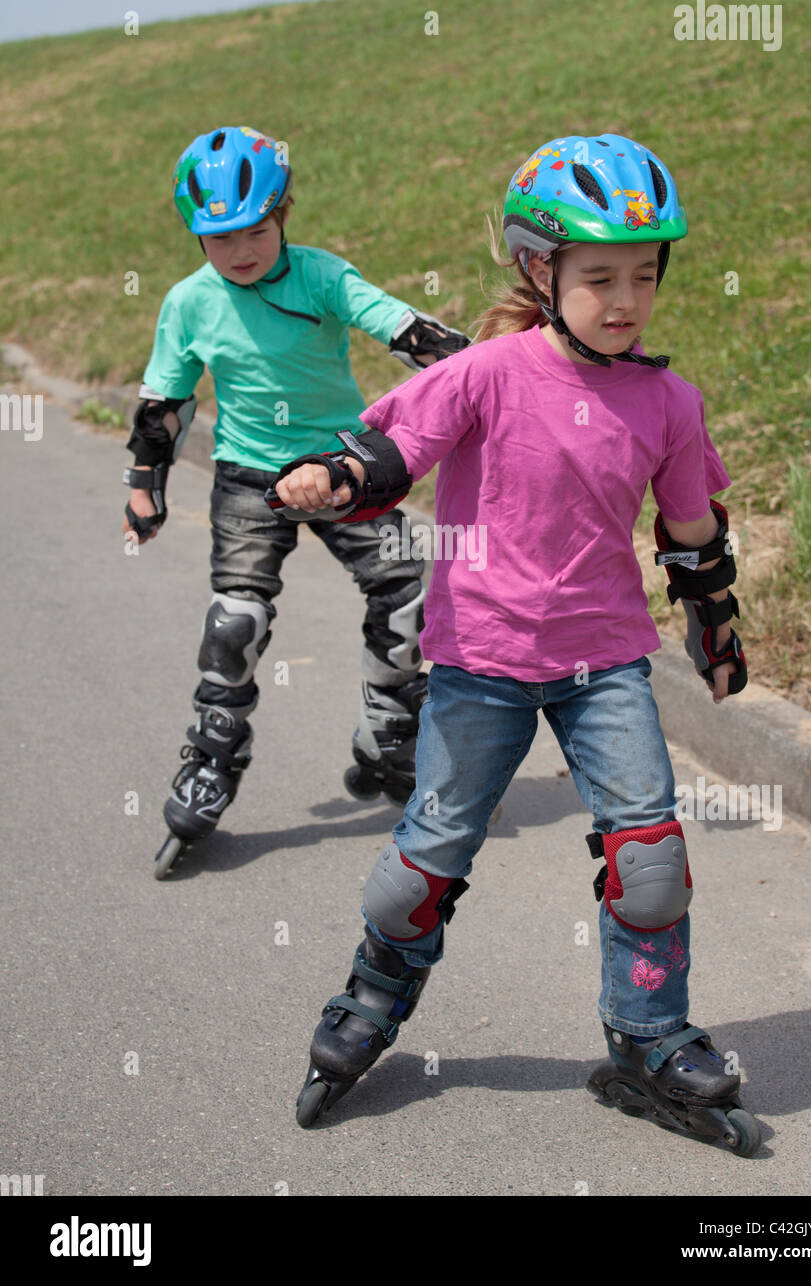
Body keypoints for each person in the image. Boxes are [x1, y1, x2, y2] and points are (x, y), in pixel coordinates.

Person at [272, 132, 761, 1155]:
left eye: (642, 275)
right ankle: (369, 1001)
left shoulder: (666, 401)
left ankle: (647, 1036)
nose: (623, 298)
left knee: (651, 862)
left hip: (604, 665)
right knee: (424, 865)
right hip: (481, 660)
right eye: (597, 277)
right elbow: (391, 449)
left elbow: (689, 532)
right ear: (538, 270)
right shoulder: (486, 372)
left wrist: (713, 623)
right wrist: (337, 476)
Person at [121, 124, 470, 879]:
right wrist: (145, 488)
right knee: (235, 622)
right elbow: (164, 406)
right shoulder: (188, 304)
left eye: (257, 230)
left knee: (410, 593)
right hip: (248, 476)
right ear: (195, 238)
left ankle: (387, 731)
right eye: (220, 239)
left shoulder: (320, 277)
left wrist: (470, 361)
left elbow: (401, 327)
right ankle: (212, 757)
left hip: (344, 467)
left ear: (284, 215)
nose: (242, 250)